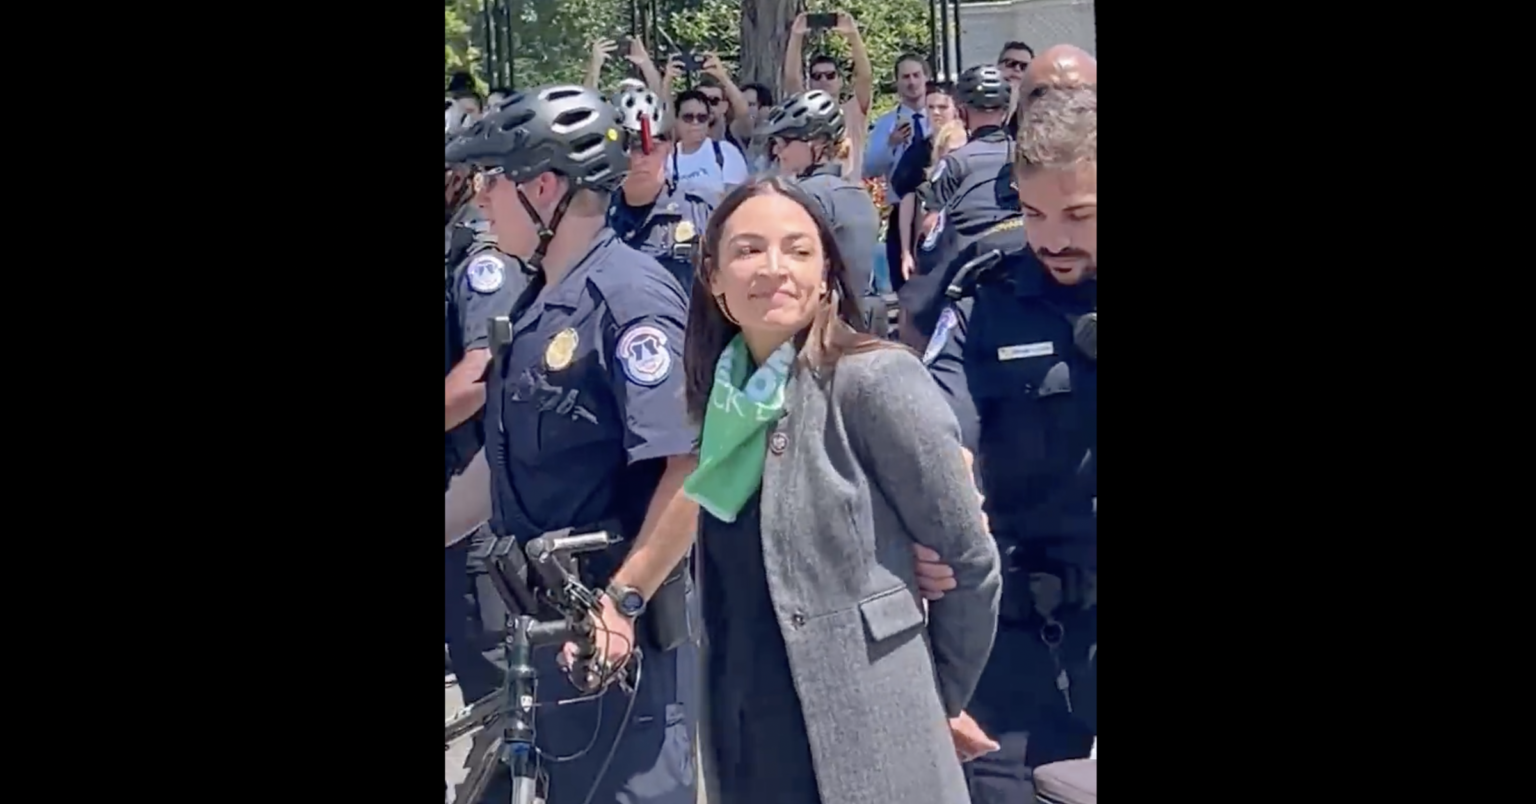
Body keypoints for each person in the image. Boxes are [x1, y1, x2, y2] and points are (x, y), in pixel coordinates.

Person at [682, 174, 1002, 804]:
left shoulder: (874, 381)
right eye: (748, 250)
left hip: (868, 746)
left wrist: (931, 695)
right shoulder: (721, 406)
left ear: (827, 272)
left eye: (798, 250)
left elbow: (968, 560)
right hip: (748, 744)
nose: (774, 268)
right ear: (715, 278)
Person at [444, 84, 700, 804]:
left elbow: (691, 466)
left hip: (613, 647)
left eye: (494, 179)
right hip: (545, 636)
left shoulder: (629, 299)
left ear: (545, 187)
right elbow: (502, 471)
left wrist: (622, 601)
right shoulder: (532, 305)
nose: (481, 198)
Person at [922, 85, 1098, 804]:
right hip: (1025, 637)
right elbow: (937, 426)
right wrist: (940, 476)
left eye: (1079, 215)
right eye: (1032, 214)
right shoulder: (986, 296)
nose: (1052, 237)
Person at [757, 89, 878, 301]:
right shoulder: (857, 192)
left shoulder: (806, 194)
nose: (777, 151)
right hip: (862, 318)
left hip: (824, 319)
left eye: (784, 142)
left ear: (816, 143)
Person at [608, 83, 717, 290]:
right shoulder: (595, 216)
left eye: (649, 148)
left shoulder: (701, 211)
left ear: (668, 148)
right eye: (628, 149)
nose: (638, 159)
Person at [916, 64, 1020, 261]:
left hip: (972, 267)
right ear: (1006, 111)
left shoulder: (954, 163)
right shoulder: (1027, 157)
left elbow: (931, 226)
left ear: (962, 112)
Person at [863, 53, 933, 299]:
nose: (912, 82)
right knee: (904, 288)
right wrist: (891, 144)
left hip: (933, 213)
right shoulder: (885, 124)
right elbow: (869, 167)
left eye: (916, 75)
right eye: (905, 77)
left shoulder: (940, 117)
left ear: (927, 78)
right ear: (897, 83)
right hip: (899, 214)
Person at [781, 11, 874, 179]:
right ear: (810, 82)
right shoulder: (803, 113)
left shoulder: (853, 112)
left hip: (846, 194)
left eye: (830, 75)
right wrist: (796, 35)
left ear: (840, 81)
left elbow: (865, 77)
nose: (823, 80)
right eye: (817, 76)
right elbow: (791, 79)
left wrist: (852, 34)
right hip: (812, 192)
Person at [893, 82, 966, 290]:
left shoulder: (969, 144)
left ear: (956, 109)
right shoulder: (919, 150)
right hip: (928, 237)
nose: (936, 113)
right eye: (931, 107)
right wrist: (906, 251)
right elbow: (907, 197)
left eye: (942, 107)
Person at [667, 89, 749, 200]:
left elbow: (734, 199)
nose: (695, 123)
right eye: (688, 117)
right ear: (676, 119)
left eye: (702, 118)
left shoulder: (726, 152)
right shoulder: (666, 158)